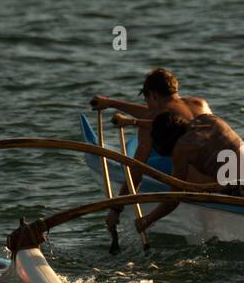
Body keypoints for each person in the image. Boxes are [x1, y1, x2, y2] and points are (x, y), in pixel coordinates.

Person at [90, 68, 212, 229]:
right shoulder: (200, 104)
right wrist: (111, 103)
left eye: (146, 100)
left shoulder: (154, 119)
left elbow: (136, 172)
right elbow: (168, 114)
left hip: (198, 187)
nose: (146, 106)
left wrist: (116, 209)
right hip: (222, 174)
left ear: (153, 95)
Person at [133, 112, 244, 233]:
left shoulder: (181, 148)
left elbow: (175, 198)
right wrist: (132, 122)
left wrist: (148, 220)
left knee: (189, 180)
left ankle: (209, 228)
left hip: (243, 192)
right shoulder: (209, 119)